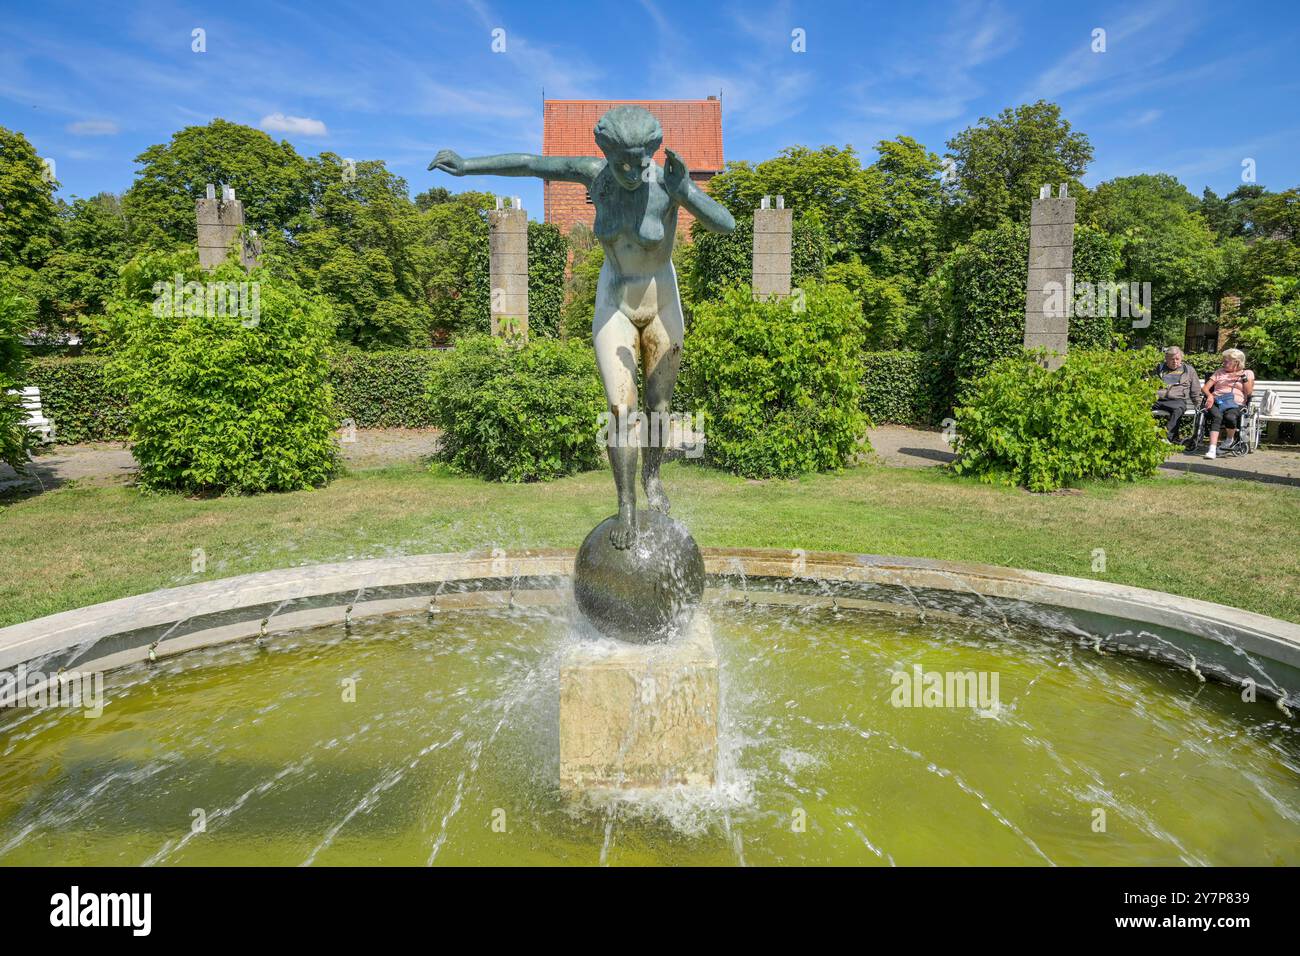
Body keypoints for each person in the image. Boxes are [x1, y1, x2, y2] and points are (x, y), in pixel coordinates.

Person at [430, 106, 736, 548]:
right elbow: (530, 164)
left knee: (658, 408)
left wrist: (685, 189)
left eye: (639, 161)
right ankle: (626, 503)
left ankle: (652, 475)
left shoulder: (667, 184)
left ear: (651, 152)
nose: (630, 171)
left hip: (661, 301)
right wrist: (467, 166)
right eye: (621, 162)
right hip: (614, 301)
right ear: (606, 153)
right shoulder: (595, 176)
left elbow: (725, 225)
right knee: (620, 409)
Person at [1200, 348, 1255, 459]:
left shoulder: (1247, 373)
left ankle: (1229, 439)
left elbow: (1248, 392)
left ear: (1237, 362)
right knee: (1217, 416)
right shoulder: (1219, 372)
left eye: (1226, 361)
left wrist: (1243, 378)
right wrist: (1210, 396)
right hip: (1216, 401)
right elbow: (1205, 388)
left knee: (1230, 417)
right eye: (1223, 361)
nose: (1223, 363)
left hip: (1236, 403)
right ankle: (1212, 449)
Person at [1151, 346, 1199, 444]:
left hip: (1176, 400)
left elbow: (1195, 389)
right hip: (1157, 399)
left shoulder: (1188, 370)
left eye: (1177, 359)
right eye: (1172, 359)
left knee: (1178, 408)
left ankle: (1165, 437)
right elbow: (1149, 385)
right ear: (1166, 359)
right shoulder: (1159, 368)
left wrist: (1198, 404)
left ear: (1181, 358)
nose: (1175, 361)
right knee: (1140, 407)